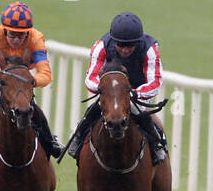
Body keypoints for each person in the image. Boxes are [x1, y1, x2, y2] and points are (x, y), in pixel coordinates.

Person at [65, 11, 167, 164]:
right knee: (93, 110)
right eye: (120, 45)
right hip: (110, 91)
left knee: (137, 111)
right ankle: (77, 137)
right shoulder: (101, 46)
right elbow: (90, 78)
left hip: (136, 93)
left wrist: (134, 94)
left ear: (138, 42)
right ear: (113, 41)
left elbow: (155, 82)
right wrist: (107, 90)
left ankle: (157, 143)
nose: (125, 50)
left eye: (130, 46)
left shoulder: (149, 49)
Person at [0, 2, 64, 159]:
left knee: (29, 104)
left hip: (22, 80)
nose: (17, 40)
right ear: (4, 31)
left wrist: (31, 82)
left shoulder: (35, 38)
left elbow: (45, 74)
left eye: (22, 35)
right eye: (12, 34)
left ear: (28, 33)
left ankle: (50, 142)